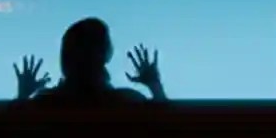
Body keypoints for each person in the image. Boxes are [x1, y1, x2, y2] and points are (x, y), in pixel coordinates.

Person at [12, 17, 167, 107]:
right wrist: (155, 86)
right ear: (106, 53)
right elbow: (164, 123)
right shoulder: (127, 100)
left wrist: (23, 96)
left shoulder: (45, 102)